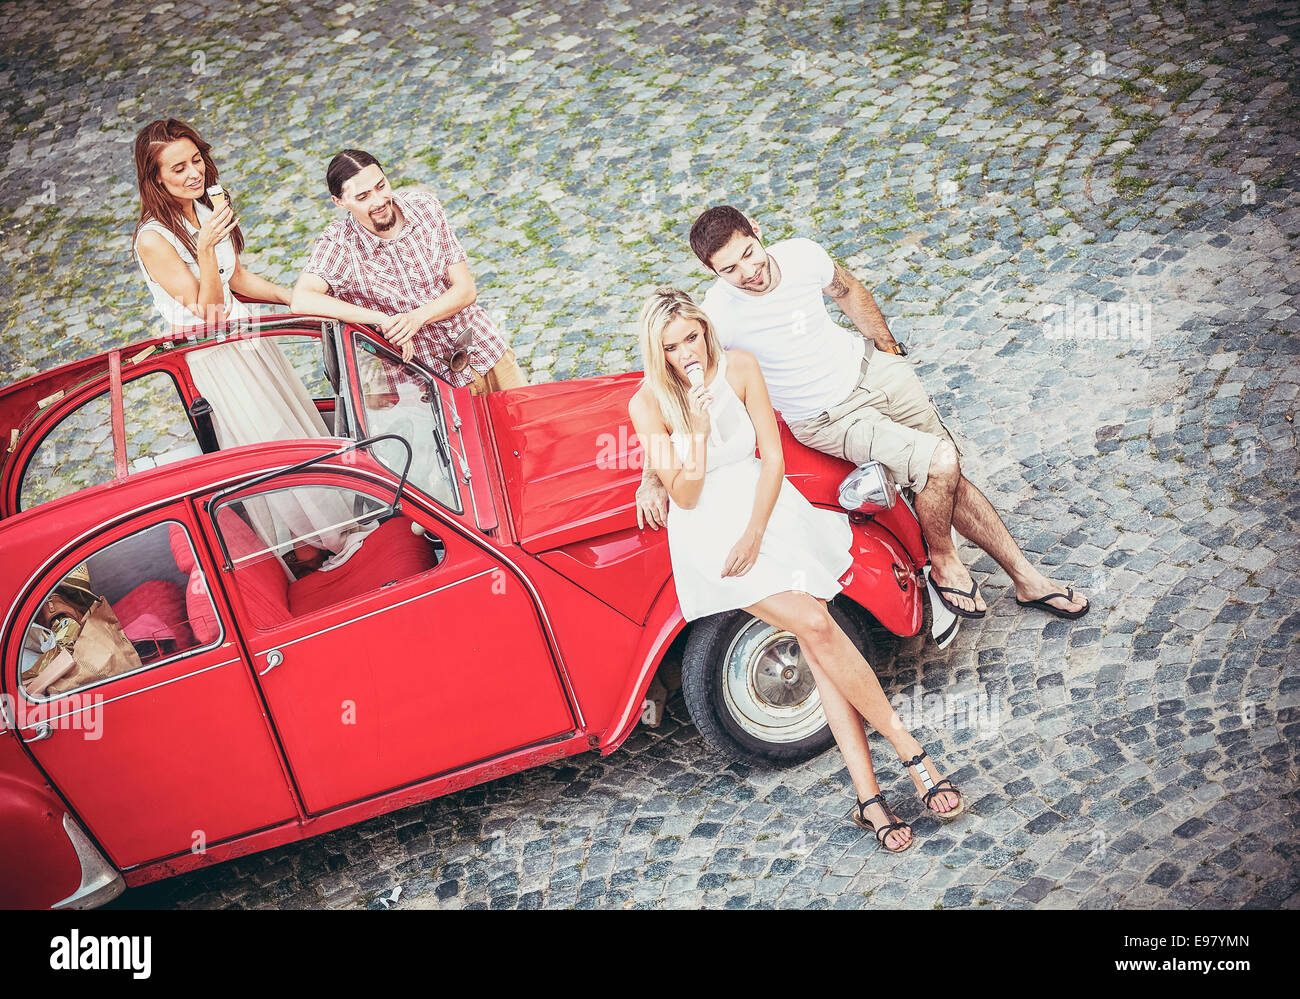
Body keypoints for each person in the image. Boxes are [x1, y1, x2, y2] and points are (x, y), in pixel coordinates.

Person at [628, 287, 964, 851]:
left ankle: (868, 798)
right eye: (672, 345)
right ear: (656, 352)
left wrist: (758, 531)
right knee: (814, 626)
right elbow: (685, 496)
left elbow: (773, 456)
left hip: (769, 514)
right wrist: (700, 432)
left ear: (705, 329)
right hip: (713, 539)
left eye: (693, 335)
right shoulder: (649, 404)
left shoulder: (738, 367)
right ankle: (914, 754)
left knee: (819, 641)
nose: (688, 350)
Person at [639, 205, 1088, 622]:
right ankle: (944, 560)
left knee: (946, 473)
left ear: (757, 231)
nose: (748, 272)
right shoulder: (717, 314)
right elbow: (667, 379)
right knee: (939, 463)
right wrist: (653, 476)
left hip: (874, 371)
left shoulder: (802, 255)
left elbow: (847, 289)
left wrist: (887, 347)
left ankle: (1027, 579)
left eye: (749, 255)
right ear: (711, 271)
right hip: (828, 416)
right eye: (730, 269)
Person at [132, 118, 354, 554]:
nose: (193, 173)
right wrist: (205, 248)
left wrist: (295, 298)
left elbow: (237, 278)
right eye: (177, 169)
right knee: (266, 440)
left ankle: (333, 519)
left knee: (291, 424)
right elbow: (209, 309)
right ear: (155, 176)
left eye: (196, 160)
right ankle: (316, 541)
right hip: (216, 353)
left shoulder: (207, 204)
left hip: (250, 339)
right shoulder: (153, 240)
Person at [292, 149, 527, 395]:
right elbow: (302, 300)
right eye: (363, 197)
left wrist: (415, 318)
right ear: (339, 202)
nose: (379, 201)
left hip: (487, 352)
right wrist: (380, 319)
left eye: (381, 186)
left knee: (530, 425)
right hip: (432, 385)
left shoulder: (424, 207)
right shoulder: (339, 244)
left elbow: (466, 290)